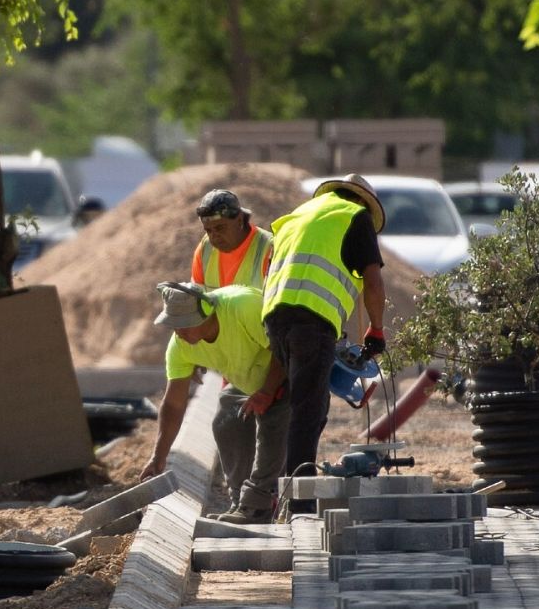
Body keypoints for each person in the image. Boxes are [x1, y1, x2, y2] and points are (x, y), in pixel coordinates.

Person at [261, 173, 387, 492]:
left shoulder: (298, 216)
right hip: (312, 320)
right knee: (308, 411)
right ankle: (298, 500)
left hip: (275, 316)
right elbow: (373, 282)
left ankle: (268, 488)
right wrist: (376, 329)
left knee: (295, 403)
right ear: (363, 203)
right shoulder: (355, 217)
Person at [142, 282, 289, 523]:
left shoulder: (243, 308)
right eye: (174, 325)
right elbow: (174, 404)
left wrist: (267, 392)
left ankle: (259, 504)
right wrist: (158, 456)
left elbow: (284, 349)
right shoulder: (179, 347)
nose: (178, 332)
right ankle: (241, 500)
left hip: (288, 372)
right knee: (226, 421)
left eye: (184, 324)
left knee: (273, 425)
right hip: (250, 381)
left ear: (205, 314)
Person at [192, 189, 274, 290]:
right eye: (208, 230)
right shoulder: (205, 249)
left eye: (220, 228)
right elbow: (196, 298)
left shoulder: (269, 249)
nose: (214, 236)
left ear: (239, 221)